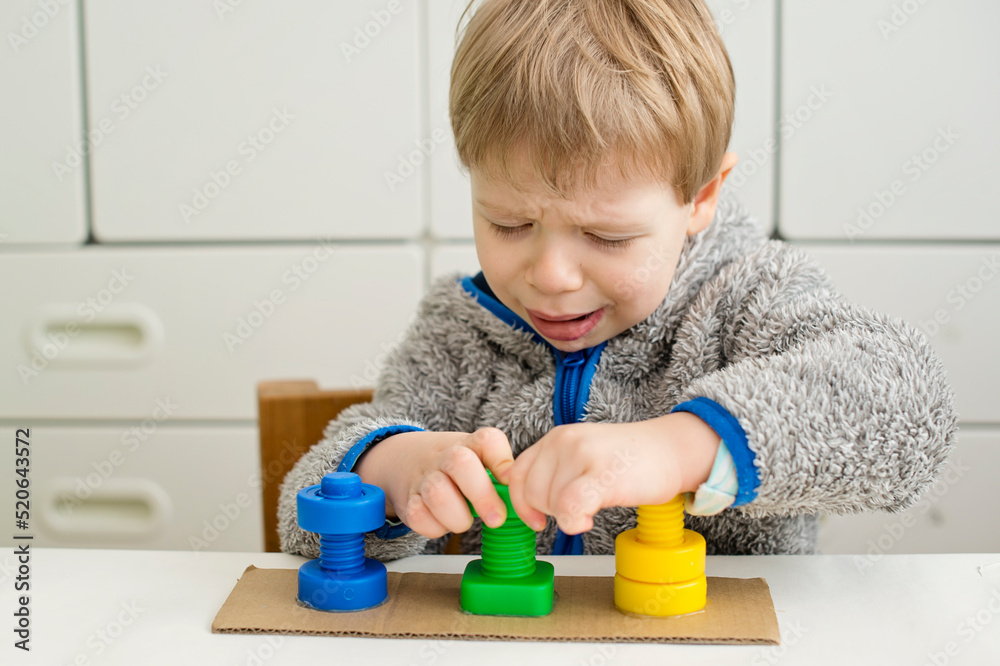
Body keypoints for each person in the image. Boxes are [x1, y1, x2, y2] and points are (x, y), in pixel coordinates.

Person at [278, 0, 957, 559]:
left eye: (607, 237)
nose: (551, 275)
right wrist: (391, 470)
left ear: (701, 197)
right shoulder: (457, 333)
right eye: (509, 224)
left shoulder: (747, 298)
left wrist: (681, 447)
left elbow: (910, 407)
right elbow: (305, 517)